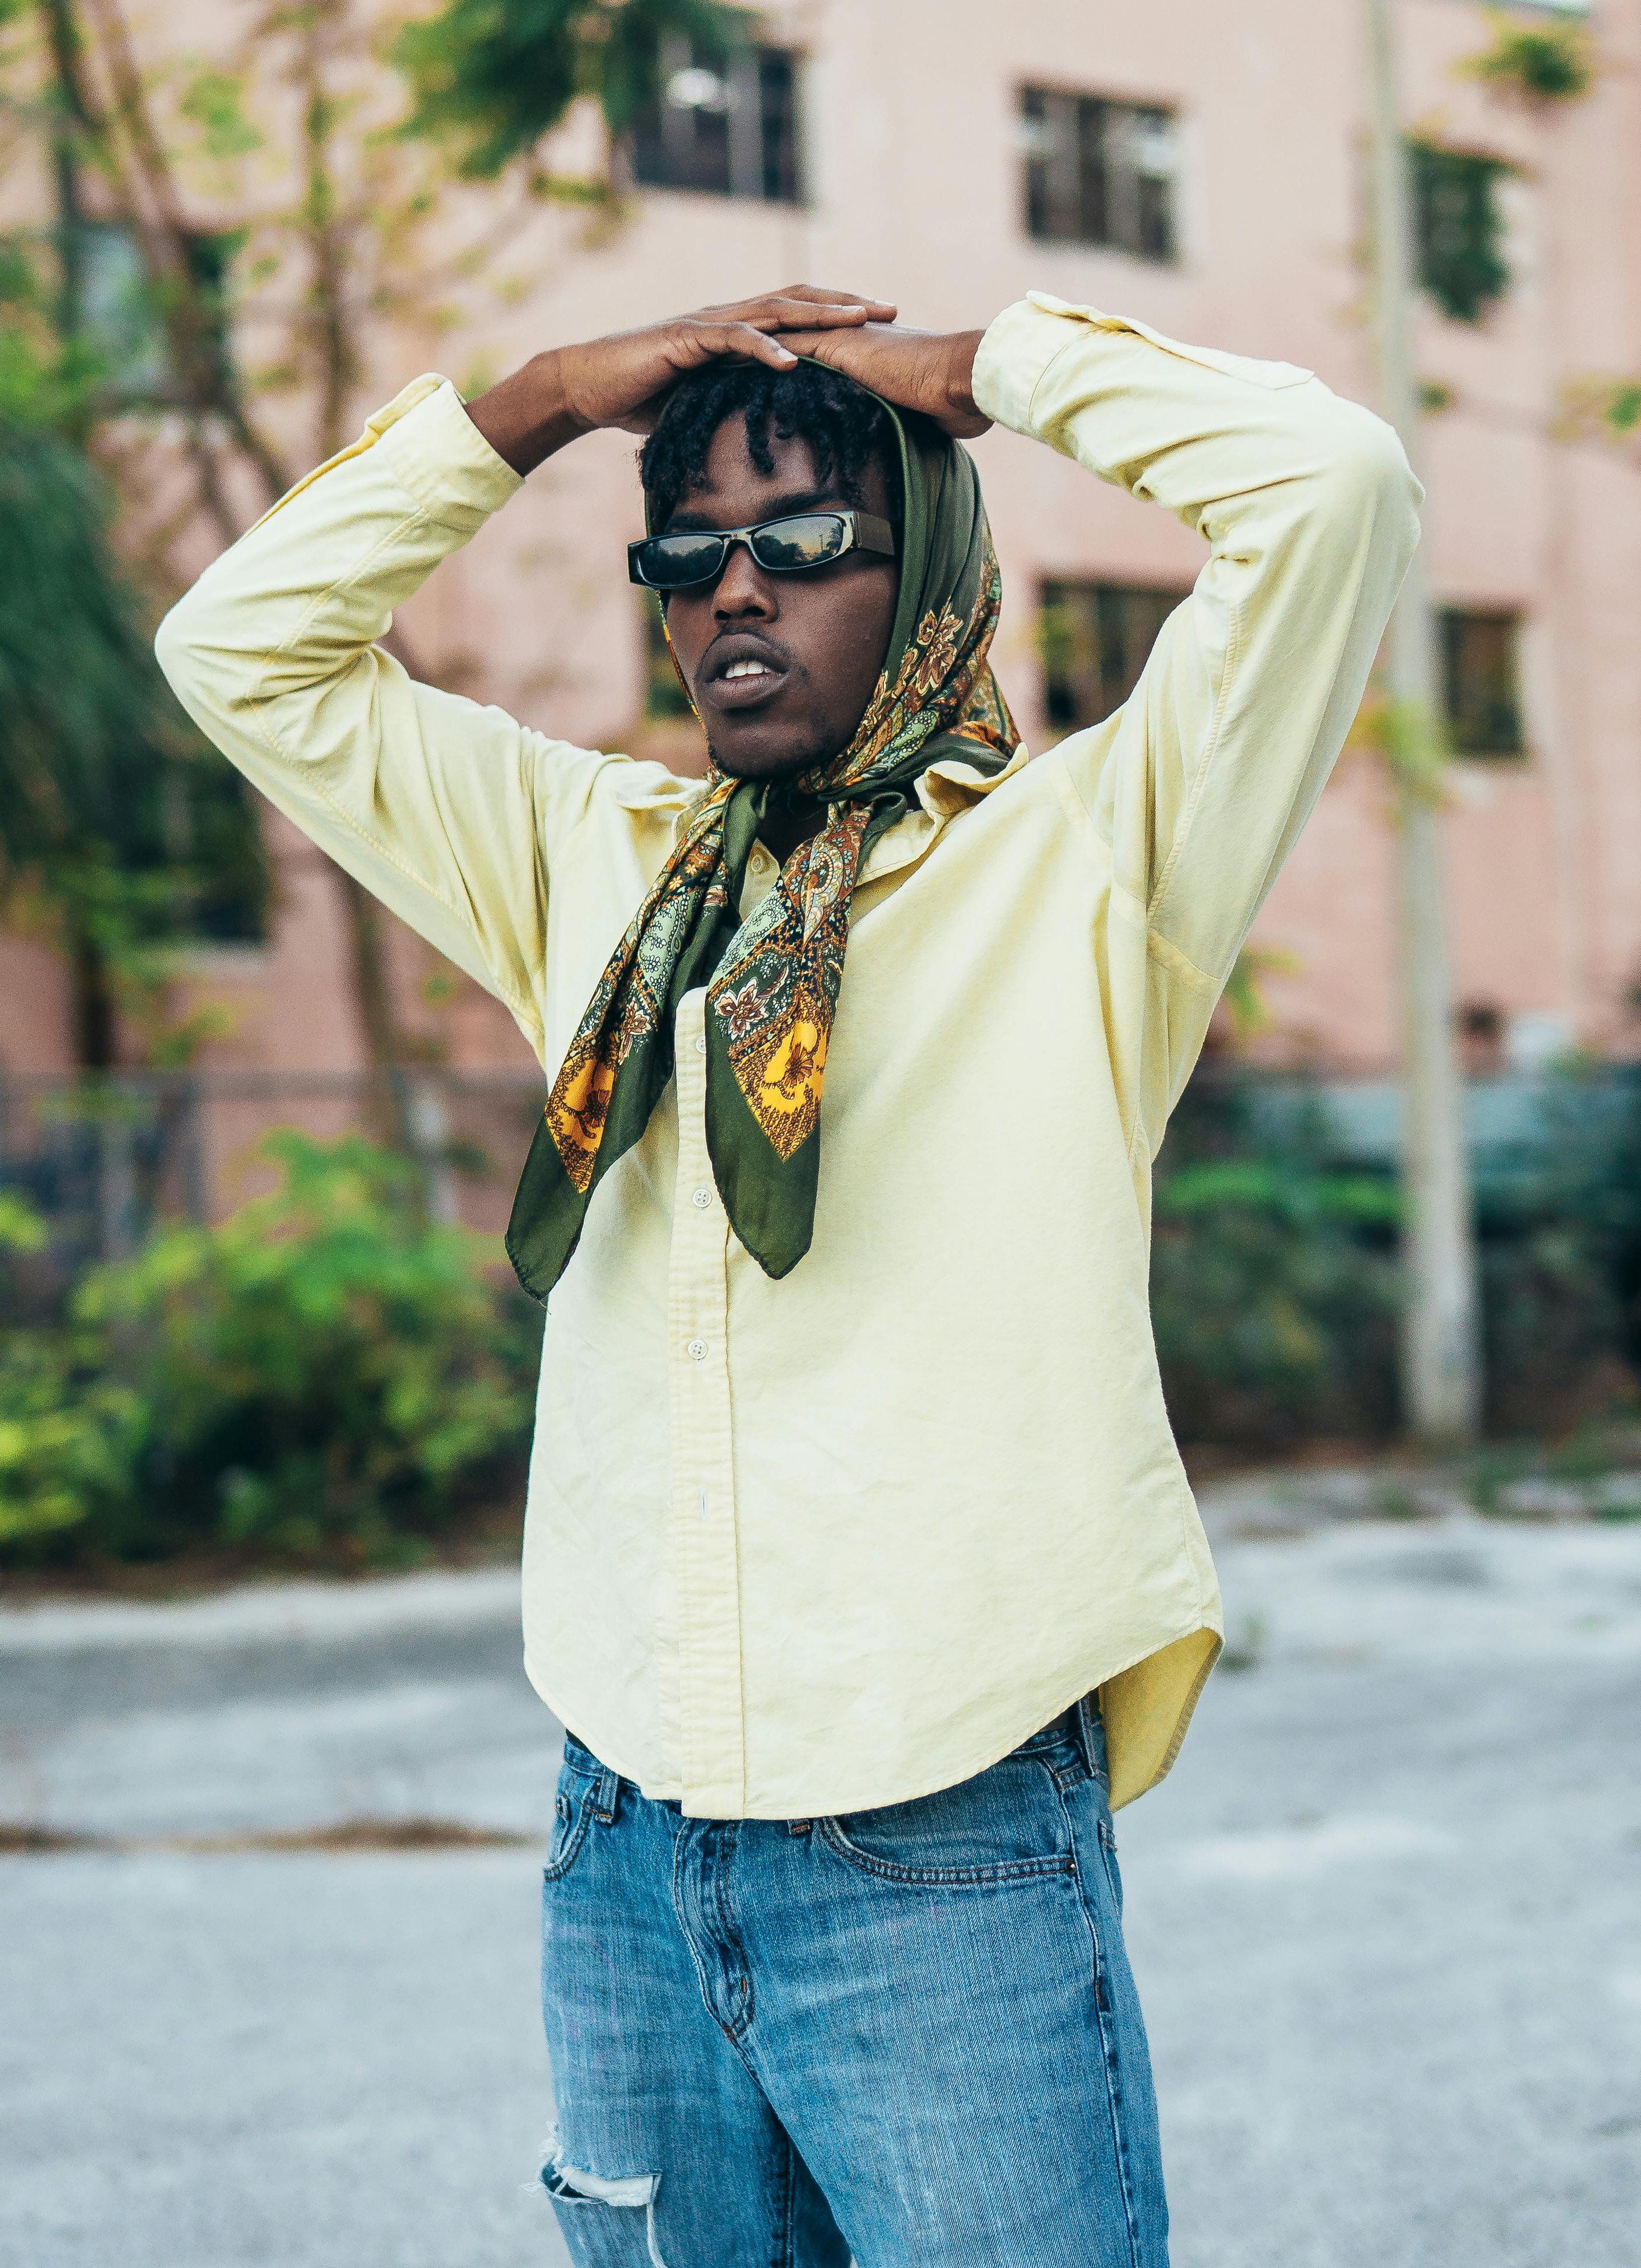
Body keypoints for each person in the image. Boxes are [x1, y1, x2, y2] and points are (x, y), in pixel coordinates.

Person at [157, 283, 1418, 2267]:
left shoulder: (1092, 867)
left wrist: (982, 370)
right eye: (689, 557)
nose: (734, 595)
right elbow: (238, 647)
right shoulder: (595, 860)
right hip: (622, 1838)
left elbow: (1332, 486)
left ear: (926, 563)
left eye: (806, 540)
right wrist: (554, 399)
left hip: (942, 1840)